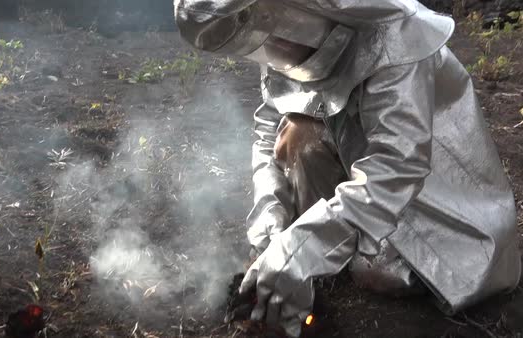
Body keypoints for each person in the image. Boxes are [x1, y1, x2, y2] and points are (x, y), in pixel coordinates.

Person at [174, 1, 522, 337]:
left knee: (379, 272)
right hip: (359, 159)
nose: (273, 48)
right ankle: (325, 235)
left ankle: (340, 240)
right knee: (293, 135)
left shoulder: (393, 32)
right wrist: (272, 220)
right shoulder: (280, 31)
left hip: (430, 183)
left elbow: (397, 165)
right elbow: (267, 136)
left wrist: (304, 248)